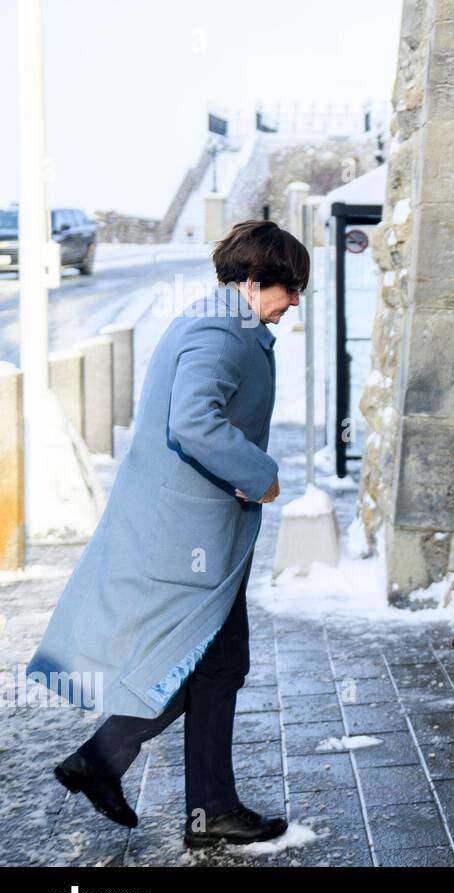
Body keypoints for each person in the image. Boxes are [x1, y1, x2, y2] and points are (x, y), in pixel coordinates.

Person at [27, 220, 307, 849]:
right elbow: (193, 422)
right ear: (257, 281)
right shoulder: (218, 331)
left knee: (212, 665)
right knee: (203, 663)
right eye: (291, 290)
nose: (295, 304)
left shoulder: (223, 322)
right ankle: (151, 783)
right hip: (189, 538)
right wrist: (260, 474)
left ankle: (163, 789)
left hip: (193, 533)